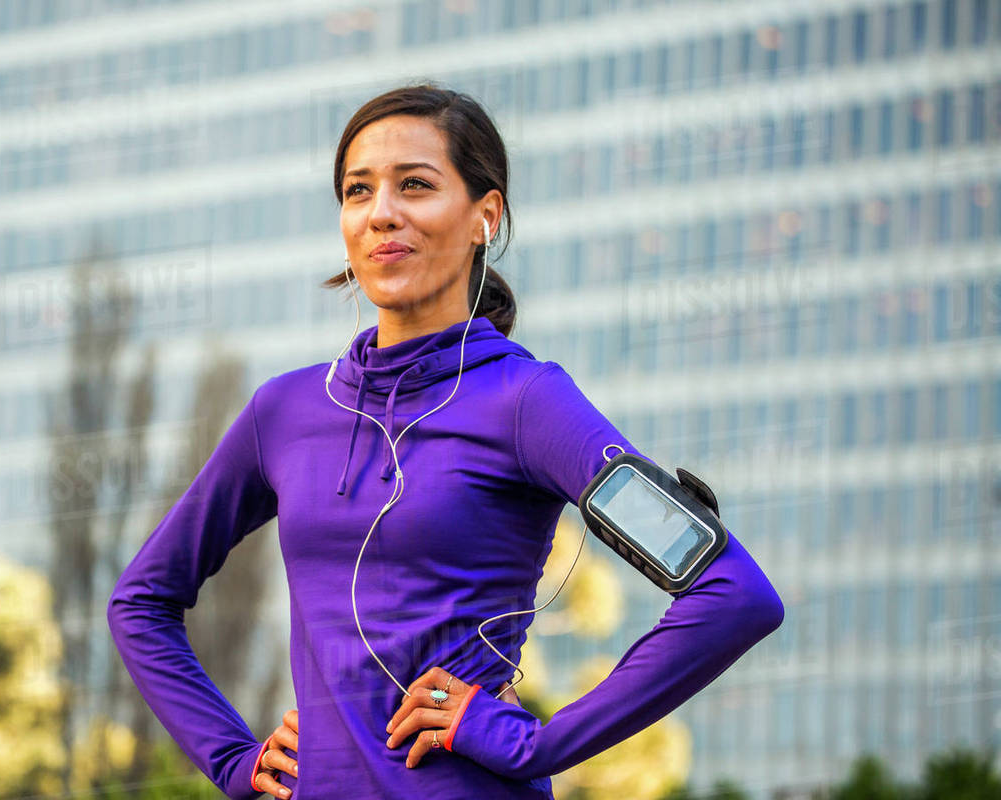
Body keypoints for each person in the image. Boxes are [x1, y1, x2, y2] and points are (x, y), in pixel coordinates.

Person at [107, 83, 785, 800]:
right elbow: (141, 601)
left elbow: (734, 593)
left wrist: (536, 744)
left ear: (483, 217)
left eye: (416, 186)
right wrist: (232, 760)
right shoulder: (285, 411)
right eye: (358, 191)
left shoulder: (527, 402)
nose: (382, 214)